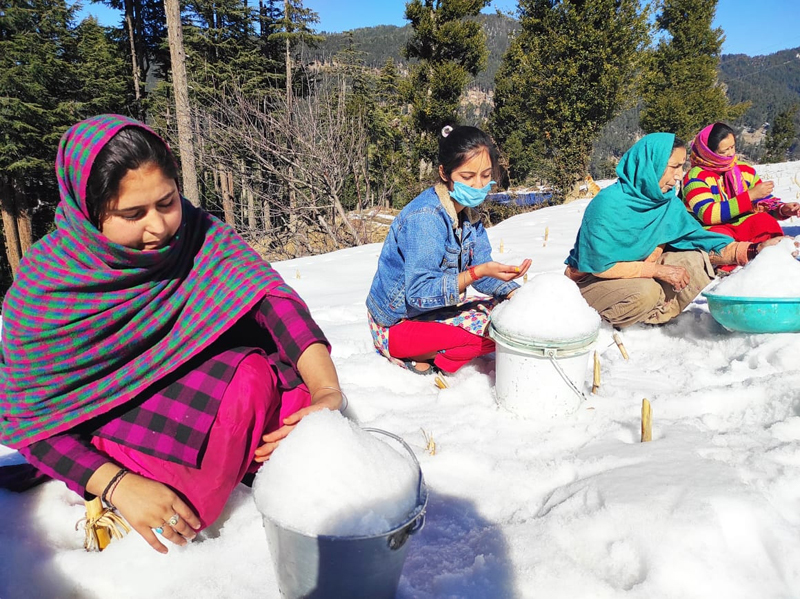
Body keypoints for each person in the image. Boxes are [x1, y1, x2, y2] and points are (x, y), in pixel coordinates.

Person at [0, 115, 344, 554]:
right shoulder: (45, 291)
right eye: (132, 214)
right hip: (110, 419)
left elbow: (270, 300)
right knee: (212, 465)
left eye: (167, 202)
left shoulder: (196, 234)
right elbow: (34, 422)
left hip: (197, 387)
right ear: (88, 211)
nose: (159, 227)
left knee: (303, 416)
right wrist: (119, 486)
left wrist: (327, 390)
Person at [565, 132, 783, 328]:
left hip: (639, 272)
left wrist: (753, 250)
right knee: (646, 293)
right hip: (593, 281)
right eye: (674, 167)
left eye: (682, 167)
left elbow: (701, 239)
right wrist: (657, 271)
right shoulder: (608, 205)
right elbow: (601, 267)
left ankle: (650, 317)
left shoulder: (666, 203)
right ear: (652, 165)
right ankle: (602, 320)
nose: (679, 176)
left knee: (696, 260)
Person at [366, 125, 531, 375]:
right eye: (467, 177)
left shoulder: (467, 213)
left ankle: (435, 350)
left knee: (510, 317)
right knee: (494, 338)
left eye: (486, 175)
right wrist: (476, 273)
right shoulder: (426, 218)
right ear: (445, 173)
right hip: (397, 325)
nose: (478, 185)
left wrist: (512, 292)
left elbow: (482, 265)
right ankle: (426, 359)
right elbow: (419, 294)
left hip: (434, 312)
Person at [683, 122, 800, 244]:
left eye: (732, 147)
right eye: (723, 151)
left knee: (765, 221)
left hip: (740, 222)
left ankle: (770, 253)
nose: (730, 153)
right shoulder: (696, 177)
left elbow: (762, 201)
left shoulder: (744, 170)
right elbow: (708, 214)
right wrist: (749, 196)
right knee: (720, 239)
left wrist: (782, 209)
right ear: (708, 152)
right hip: (707, 228)